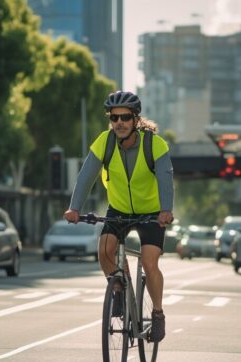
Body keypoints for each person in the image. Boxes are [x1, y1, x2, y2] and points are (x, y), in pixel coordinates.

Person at [64, 91, 174, 342]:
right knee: (104, 250)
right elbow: (86, 176)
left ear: (136, 119)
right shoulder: (104, 141)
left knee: (149, 262)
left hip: (152, 212)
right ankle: (119, 291)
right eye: (114, 118)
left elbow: (166, 178)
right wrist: (74, 208)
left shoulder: (154, 144)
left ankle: (157, 314)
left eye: (125, 117)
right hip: (119, 208)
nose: (119, 123)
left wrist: (166, 210)